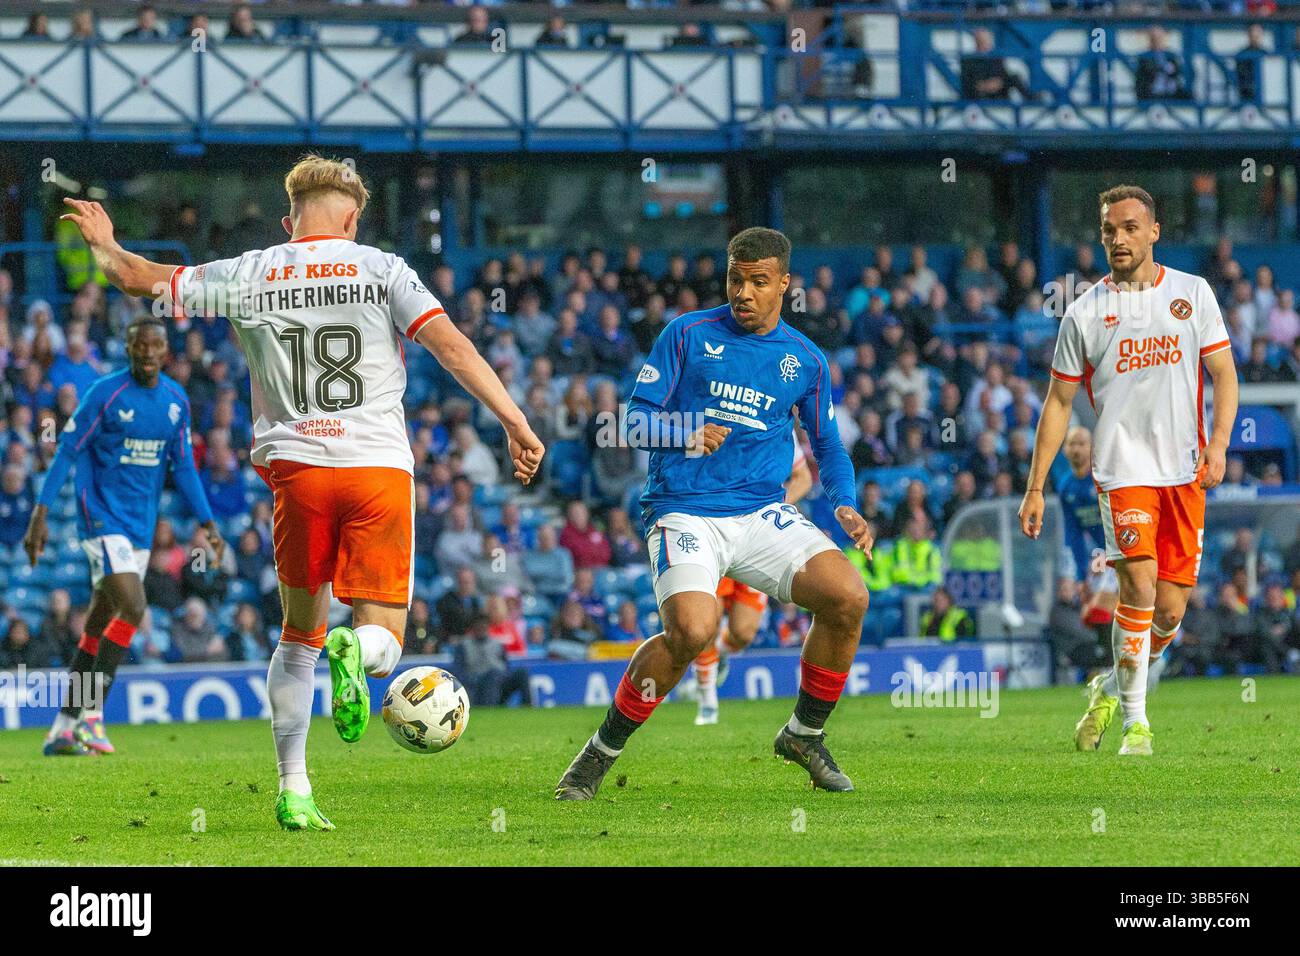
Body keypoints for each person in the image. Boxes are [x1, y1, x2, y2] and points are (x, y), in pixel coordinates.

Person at [58, 155, 544, 831]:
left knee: (296, 638)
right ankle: (361, 649)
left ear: (290, 221)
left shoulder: (249, 271)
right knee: (385, 639)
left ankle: (294, 787)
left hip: (298, 473)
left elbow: (138, 279)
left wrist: (105, 246)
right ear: (353, 218)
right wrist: (515, 421)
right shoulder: (383, 270)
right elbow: (453, 348)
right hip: (376, 469)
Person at [555, 227, 873, 799]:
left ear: (784, 284)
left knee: (848, 596)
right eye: (735, 278)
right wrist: (686, 432)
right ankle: (598, 754)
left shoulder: (805, 359)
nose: (743, 292)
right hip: (685, 510)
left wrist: (845, 504)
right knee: (693, 631)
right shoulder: (687, 334)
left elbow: (827, 445)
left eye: (757, 281)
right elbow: (632, 421)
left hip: (760, 514)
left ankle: (805, 734)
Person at [1019, 184, 1238, 756]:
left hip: (1186, 472)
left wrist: (1218, 445)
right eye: (1109, 230)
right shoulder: (1085, 310)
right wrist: (1035, 486)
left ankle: (1109, 687)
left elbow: (1224, 375)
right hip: (1122, 472)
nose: (1118, 238)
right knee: (1137, 586)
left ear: (1153, 231)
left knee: (1169, 612)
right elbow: (1059, 403)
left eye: (1130, 228)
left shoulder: (1193, 293)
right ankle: (1136, 724)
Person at [24, 316, 222, 757]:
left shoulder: (175, 401)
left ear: (165, 351)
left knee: (98, 624)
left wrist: (208, 523)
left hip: (140, 526)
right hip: (100, 518)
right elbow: (67, 451)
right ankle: (93, 718)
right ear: (128, 349)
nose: (148, 353)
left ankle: (61, 729)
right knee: (134, 606)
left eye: (155, 346)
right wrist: (40, 513)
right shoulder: (105, 393)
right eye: (139, 346)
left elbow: (184, 466)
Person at [682, 442, 814, 725]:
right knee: (706, 622)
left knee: (743, 632)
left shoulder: (778, 427)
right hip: (715, 536)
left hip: (756, 544)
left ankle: (720, 652)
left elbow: (803, 477)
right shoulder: (716, 423)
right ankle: (707, 703)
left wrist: (767, 511)